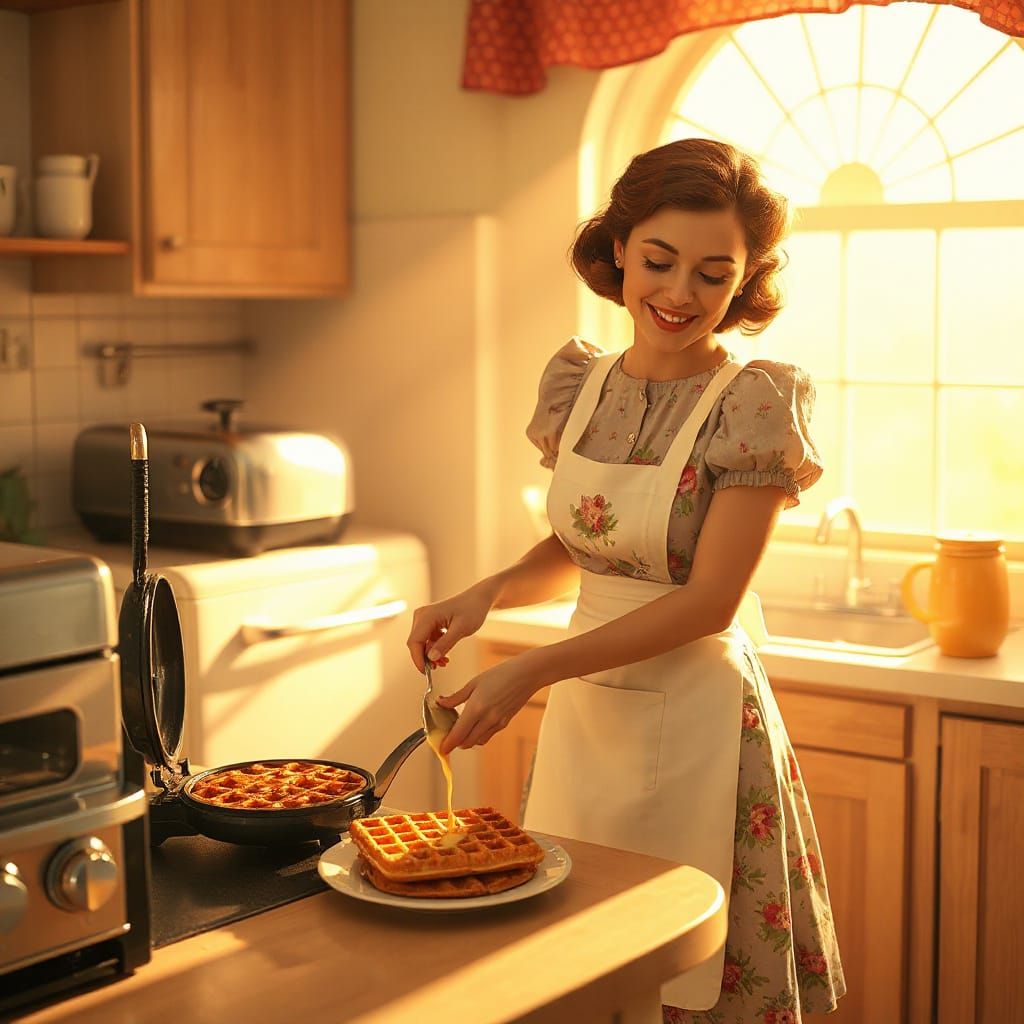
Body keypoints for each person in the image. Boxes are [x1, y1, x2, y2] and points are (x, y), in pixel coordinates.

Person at [407, 138, 845, 1021]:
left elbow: (708, 601)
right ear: (618, 249)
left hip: (699, 720)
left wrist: (530, 667)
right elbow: (587, 543)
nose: (681, 293)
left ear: (745, 280)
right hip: (589, 712)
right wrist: (483, 594)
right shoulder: (584, 385)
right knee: (578, 966)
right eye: (660, 260)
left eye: (714, 274)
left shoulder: (753, 403)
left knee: (687, 970)